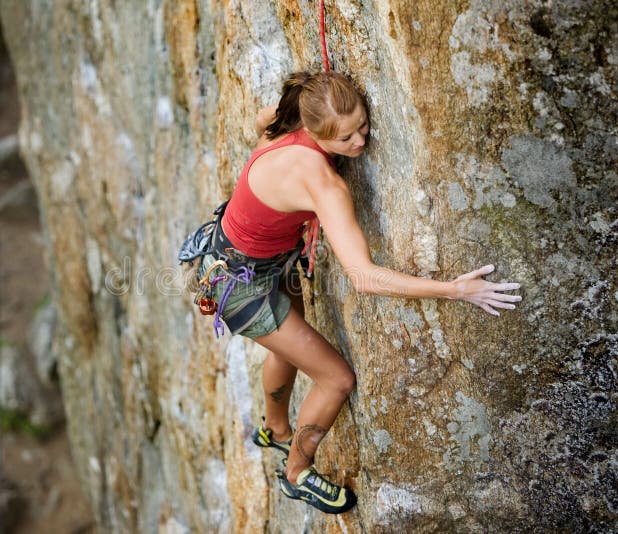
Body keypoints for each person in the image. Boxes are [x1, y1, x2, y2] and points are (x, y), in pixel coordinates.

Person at [194, 71, 522, 514]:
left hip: (238, 257)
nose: (359, 143)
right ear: (312, 131)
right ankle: (296, 473)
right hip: (242, 287)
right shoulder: (325, 185)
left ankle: (274, 428)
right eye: (344, 137)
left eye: (362, 127)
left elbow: (260, 119)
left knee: (288, 347)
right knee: (337, 378)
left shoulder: (289, 118)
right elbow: (364, 277)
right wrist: (455, 289)